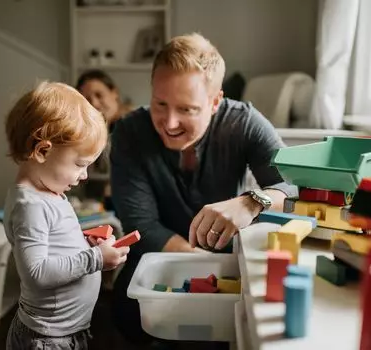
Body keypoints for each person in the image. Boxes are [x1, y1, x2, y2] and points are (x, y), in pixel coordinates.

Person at [109, 33, 298, 347]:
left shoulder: (244, 123)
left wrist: (252, 202)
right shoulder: (129, 132)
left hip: (228, 259)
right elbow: (140, 224)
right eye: (160, 104)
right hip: (158, 256)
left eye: (187, 109)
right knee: (127, 311)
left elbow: (292, 186)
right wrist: (197, 263)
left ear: (215, 102)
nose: (169, 122)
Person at [3, 81, 130, 350]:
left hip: (65, 332)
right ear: (43, 151)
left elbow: (54, 246)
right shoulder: (31, 206)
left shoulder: (48, 192)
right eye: (79, 164)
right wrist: (95, 258)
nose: (84, 175)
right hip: (48, 339)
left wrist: (84, 243)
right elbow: (36, 272)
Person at [76, 70, 133, 212]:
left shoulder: (134, 126)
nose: (94, 103)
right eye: (87, 99)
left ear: (114, 92)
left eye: (99, 95)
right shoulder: (89, 131)